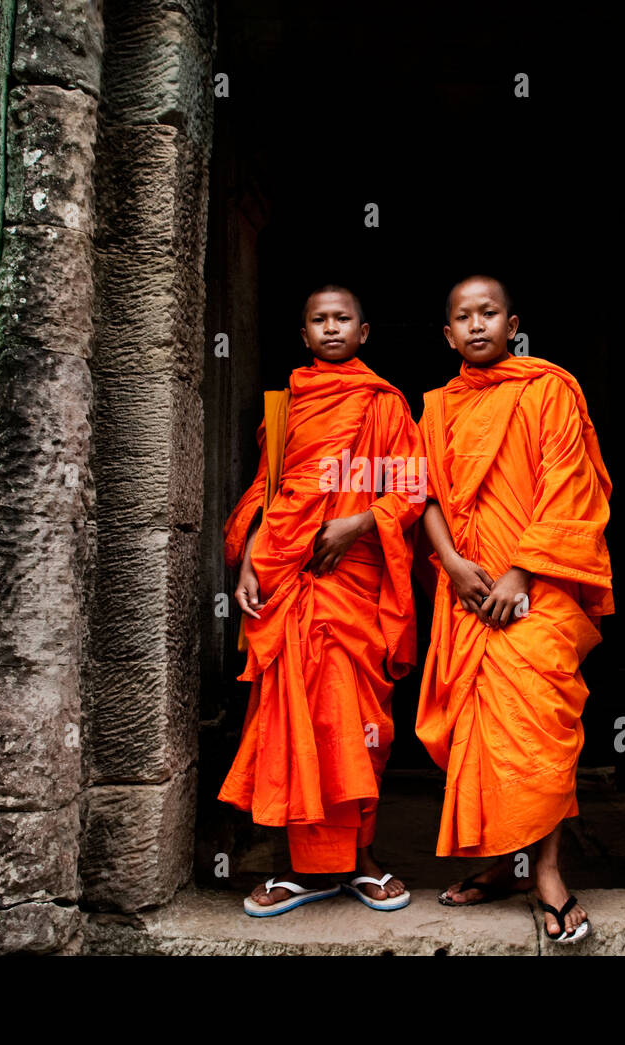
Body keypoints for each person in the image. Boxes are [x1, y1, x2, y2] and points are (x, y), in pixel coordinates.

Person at [416, 275, 613, 943]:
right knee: (483, 736)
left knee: (538, 735)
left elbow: (569, 485)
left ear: (512, 322)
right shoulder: (437, 406)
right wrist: (451, 562)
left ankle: (549, 874)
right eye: (463, 317)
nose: (476, 325)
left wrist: (519, 573)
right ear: (448, 334)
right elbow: (427, 496)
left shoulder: (548, 389)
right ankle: (506, 858)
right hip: (468, 590)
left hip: (536, 590)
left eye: (489, 313)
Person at [219, 285, 426, 916]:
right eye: (319, 320)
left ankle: (359, 861)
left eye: (343, 319)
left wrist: (358, 524)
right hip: (287, 582)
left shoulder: (385, 404)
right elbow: (265, 490)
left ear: (364, 333)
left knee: (356, 725)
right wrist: (251, 559)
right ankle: (298, 869)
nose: (331, 328)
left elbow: (413, 488)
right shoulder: (283, 409)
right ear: (303, 335)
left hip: (355, 581)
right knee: (290, 723)